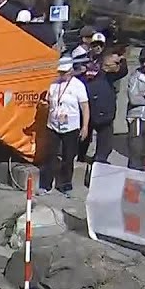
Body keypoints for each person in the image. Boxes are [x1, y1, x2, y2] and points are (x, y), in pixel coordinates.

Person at [39, 56, 89, 193]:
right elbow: (49, 101)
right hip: (53, 124)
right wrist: (45, 104)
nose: (62, 75)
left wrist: (85, 126)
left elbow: (85, 107)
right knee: (50, 155)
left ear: (71, 71)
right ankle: (45, 185)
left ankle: (65, 184)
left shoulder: (78, 86)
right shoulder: (54, 84)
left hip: (71, 127)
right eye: (60, 72)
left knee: (68, 156)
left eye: (65, 72)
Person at [80, 49, 127, 164]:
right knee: (83, 139)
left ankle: (99, 160)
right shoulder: (85, 68)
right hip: (88, 111)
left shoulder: (109, 74)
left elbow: (123, 71)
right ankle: (80, 157)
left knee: (105, 143)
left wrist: (122, 60)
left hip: (106, 114)